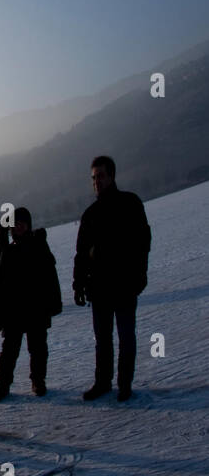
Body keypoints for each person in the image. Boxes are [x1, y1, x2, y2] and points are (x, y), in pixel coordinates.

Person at [73, 155, 151, 402]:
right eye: (93, 178)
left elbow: (143, 243)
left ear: (112, 176)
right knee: (103, 341)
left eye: (101, 176)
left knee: (127, 337)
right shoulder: (90, 214)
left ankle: (124, 384)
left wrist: (140, 275)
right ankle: (103, 382)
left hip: (125, 285)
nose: (97, 182)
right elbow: (81, 253)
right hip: (99, 289)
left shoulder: (130, 203)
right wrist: (78, 284)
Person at [0, 208, 62, 400]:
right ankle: (3, 385)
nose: (18, 226)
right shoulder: (7, 250)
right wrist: (1, 229)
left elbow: (50, 276)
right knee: (9, 351)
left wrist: (53, 304)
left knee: (38, 348)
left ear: (28, 225)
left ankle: (38, 381)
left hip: (36, 308)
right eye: (15, 223)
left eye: (22, 223)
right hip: (14, 311)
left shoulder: (38, 245)